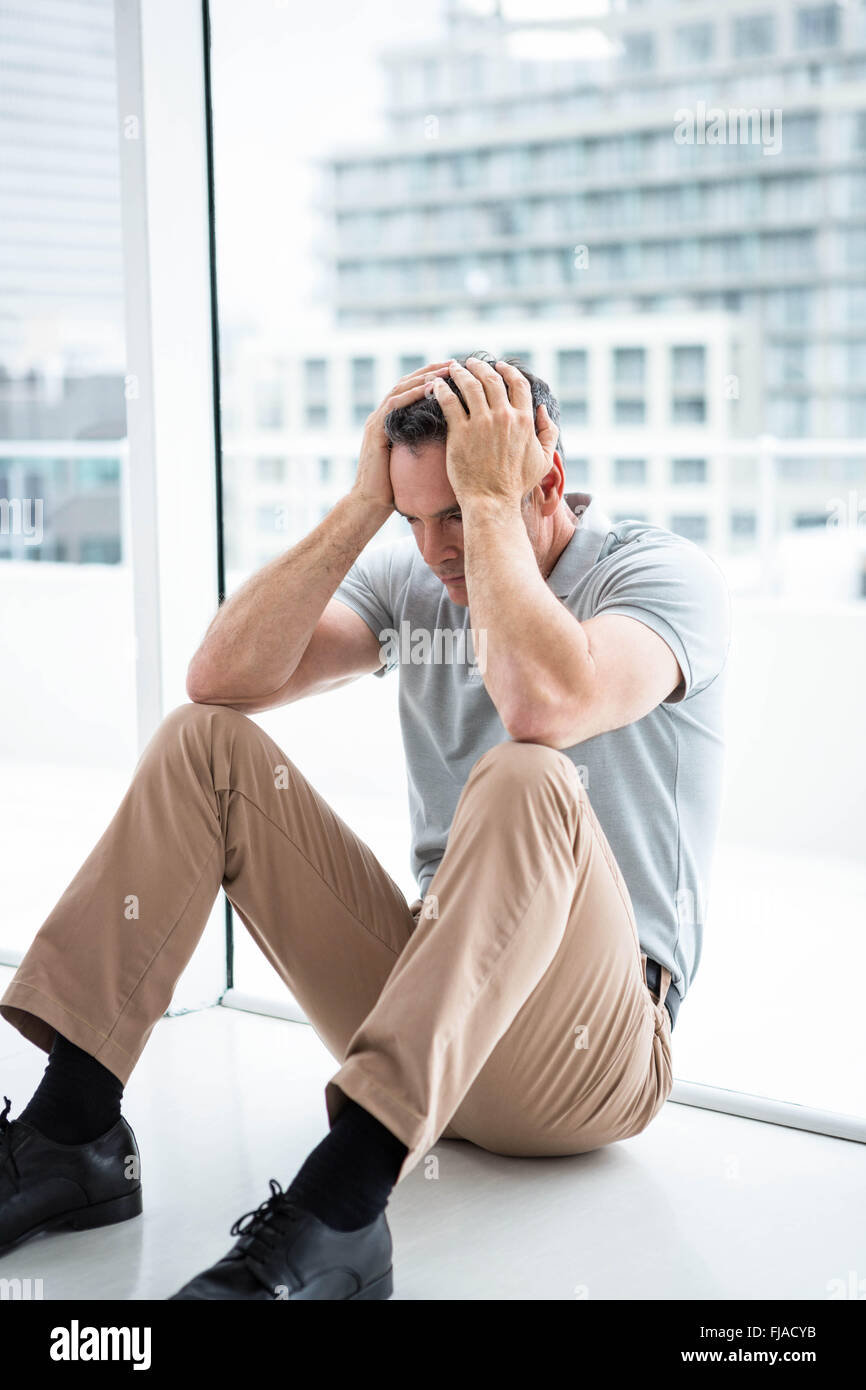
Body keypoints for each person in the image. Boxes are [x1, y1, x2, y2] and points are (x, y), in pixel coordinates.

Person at [0, 351, 731, 1300]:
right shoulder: (420, 577)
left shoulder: (660, 575)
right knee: (203, 744)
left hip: (589, 1054)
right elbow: (222, 679)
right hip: (426, 1014)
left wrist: (492, 510)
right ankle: (71, 1136)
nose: (437, 551)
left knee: (526, 774)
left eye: (461, 511)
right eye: (417, 518)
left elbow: (546, 705)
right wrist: (360, 507)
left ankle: (343, 1206)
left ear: (542, 478)